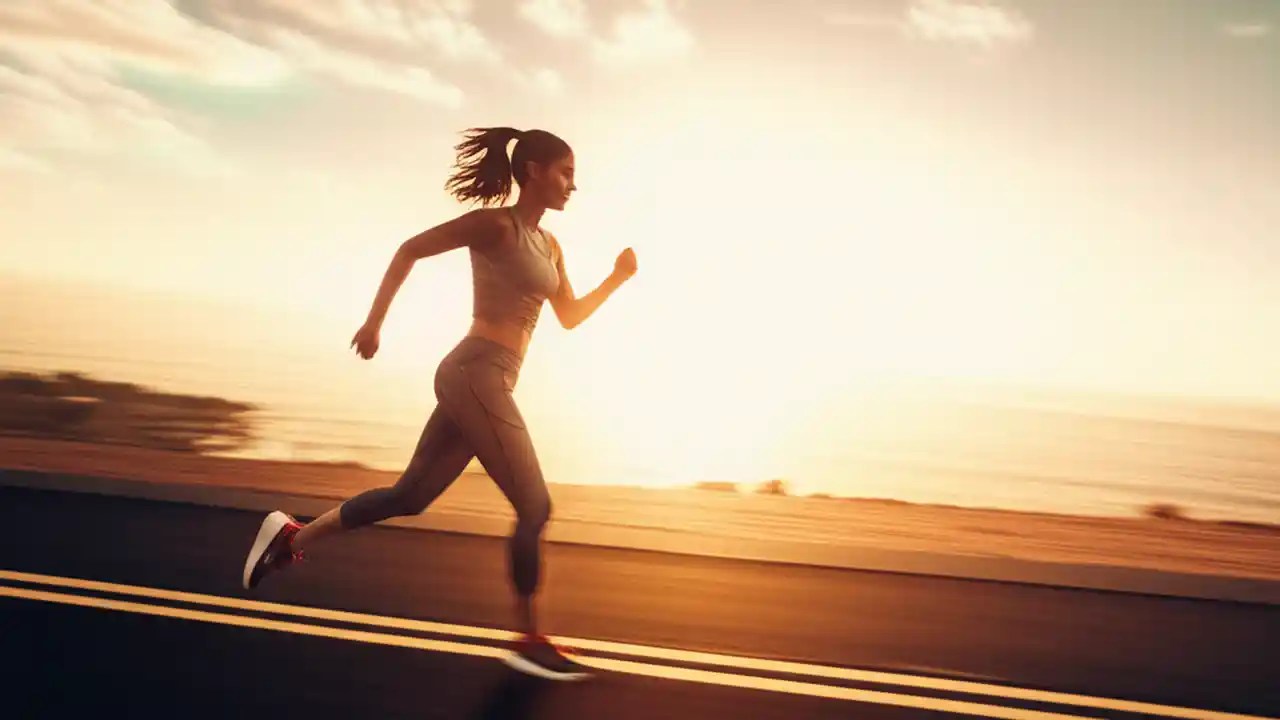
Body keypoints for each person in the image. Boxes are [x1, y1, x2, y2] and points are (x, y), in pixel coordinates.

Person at [240, 127, 637, 681]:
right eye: (566, 172)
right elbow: (410, 249)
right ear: (533, 172)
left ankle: (290, 538)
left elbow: (568, 317)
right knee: (535, 506)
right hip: (474, 372)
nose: (574, 184)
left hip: (489, 381)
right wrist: (374, 323)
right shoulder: (494, 225)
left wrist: (616, 279)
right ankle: (528, 640)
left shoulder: (550, 245)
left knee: (410, 496)